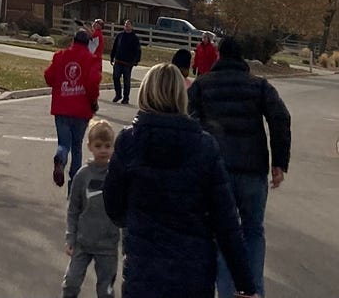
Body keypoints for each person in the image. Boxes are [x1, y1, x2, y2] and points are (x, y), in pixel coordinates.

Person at [103, 62, 257, 298]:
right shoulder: (204, 146)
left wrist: (136, 218)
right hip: (193, 274)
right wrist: (245, 282)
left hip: (144, 273)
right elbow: (226, 223)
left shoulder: (128, 143)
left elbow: (113, 207)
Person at [187, 34, 291, 297]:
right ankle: (253, 291)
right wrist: (279, 162)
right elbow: (280, 118)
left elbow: (189, 120)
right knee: (253, 231)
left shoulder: (202, 85)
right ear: (242, 57)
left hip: (217, 170)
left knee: (222, 233)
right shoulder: (259, 86)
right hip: (253, 169)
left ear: (219, 55)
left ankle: (225, 291)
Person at [61, 118, 121, 298]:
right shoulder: (83, 175)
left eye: (107, 145)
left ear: (113, 147)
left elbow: (123, 210)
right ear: (90, 146)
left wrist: (127, 243)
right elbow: (73, 208)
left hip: (108, 245)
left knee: (105, 289)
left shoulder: (117, 176)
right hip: (83, 242)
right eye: (98, 145)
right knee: (71, 282)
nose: (103, 150)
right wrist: (70, 236)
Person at [45, 24, 104, 188]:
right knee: (77, 146)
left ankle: (61, 158)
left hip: (62, 108)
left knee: (64, 143)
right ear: (88, 43)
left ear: (73, 40)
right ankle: (75, 180)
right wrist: (93, 101)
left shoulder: (61, 56)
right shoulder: (91, 60)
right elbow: (93, 83)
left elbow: (48, 77)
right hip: (81, 110)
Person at [110, 20, 142, 105]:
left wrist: (136, 61)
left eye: (128, 24)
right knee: (116, 77)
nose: (127, 26)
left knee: (126, 81)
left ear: (132, 26)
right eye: (125, 25)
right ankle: (118, 94)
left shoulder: (134, 38)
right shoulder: (120, 36)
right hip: (118, 61)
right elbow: (115, 46)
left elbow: (138, 50)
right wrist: (112, 57)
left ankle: (126, 98)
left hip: (128, 63)